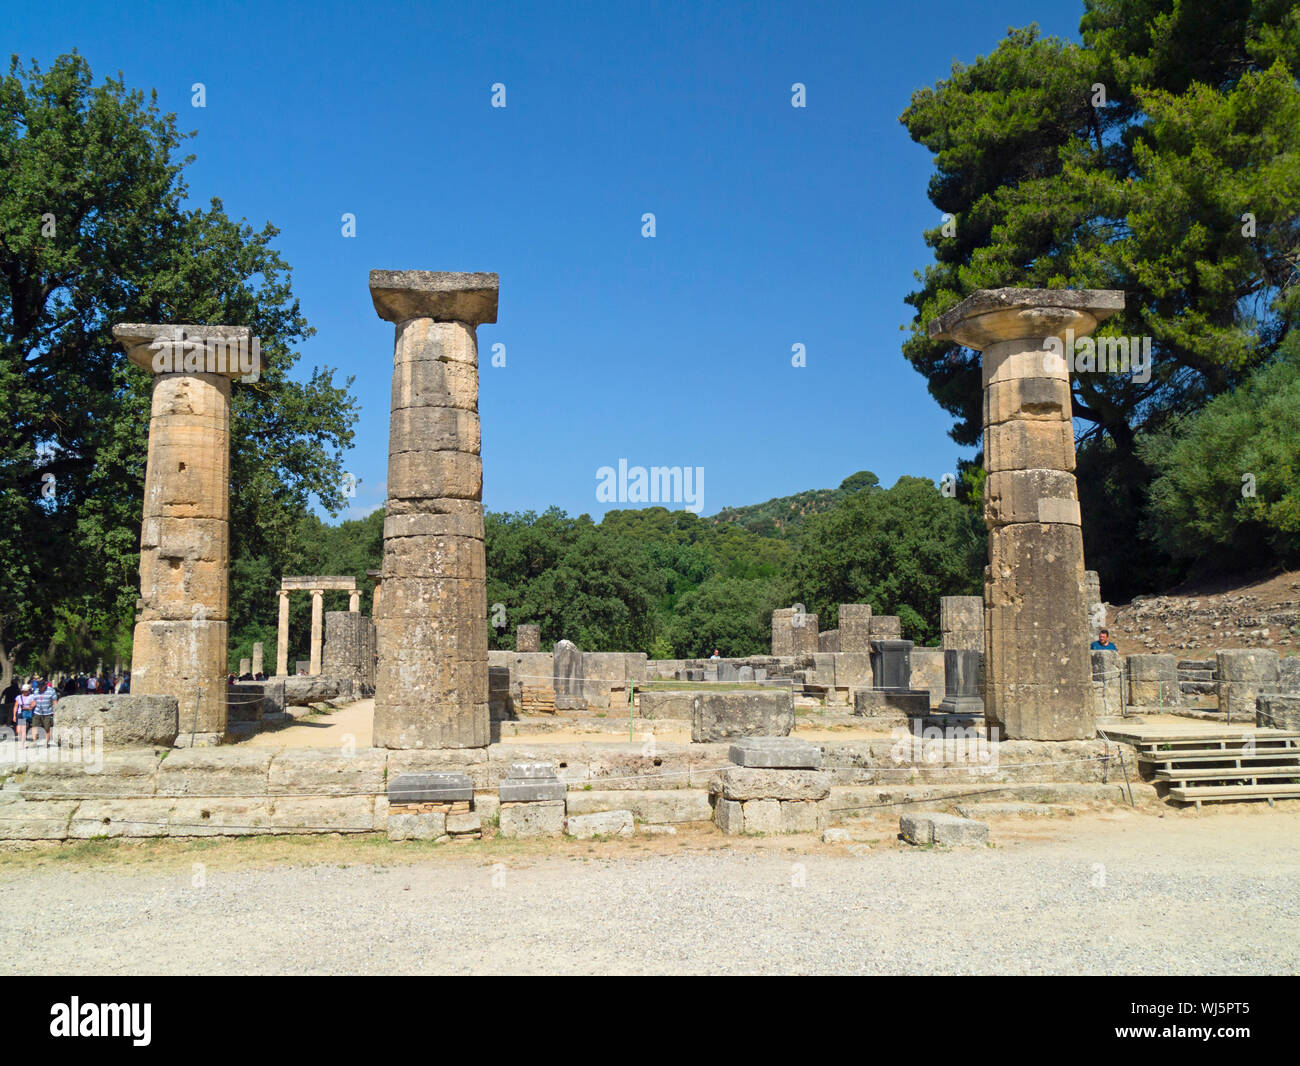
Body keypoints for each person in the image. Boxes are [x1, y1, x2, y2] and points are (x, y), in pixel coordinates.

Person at [32, 679, 56, 747]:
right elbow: (34, 700)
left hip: (48, 712)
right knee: (34, 726)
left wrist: (55, 711)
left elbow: (54, 702)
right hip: (37, 712)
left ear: (45, 685)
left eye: (41, 686)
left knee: (47, 728)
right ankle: (34, 742)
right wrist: (32, 704)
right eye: (39, 686)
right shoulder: (36, 690)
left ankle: (46, 742)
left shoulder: (51, 691)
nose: (39, 688)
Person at [13, 683, 37, 748]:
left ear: (29, 690)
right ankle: (23, 738)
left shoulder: (32, 697)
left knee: (23, 729)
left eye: (26, 691)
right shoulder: (18, 697)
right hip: (21, 714)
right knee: (19, 730)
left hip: (29, 714)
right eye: (24, 691)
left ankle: (22, 744)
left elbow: (33, 705)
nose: (25, 692)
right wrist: (14, 715)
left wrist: (27, 708)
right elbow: (15, 706)